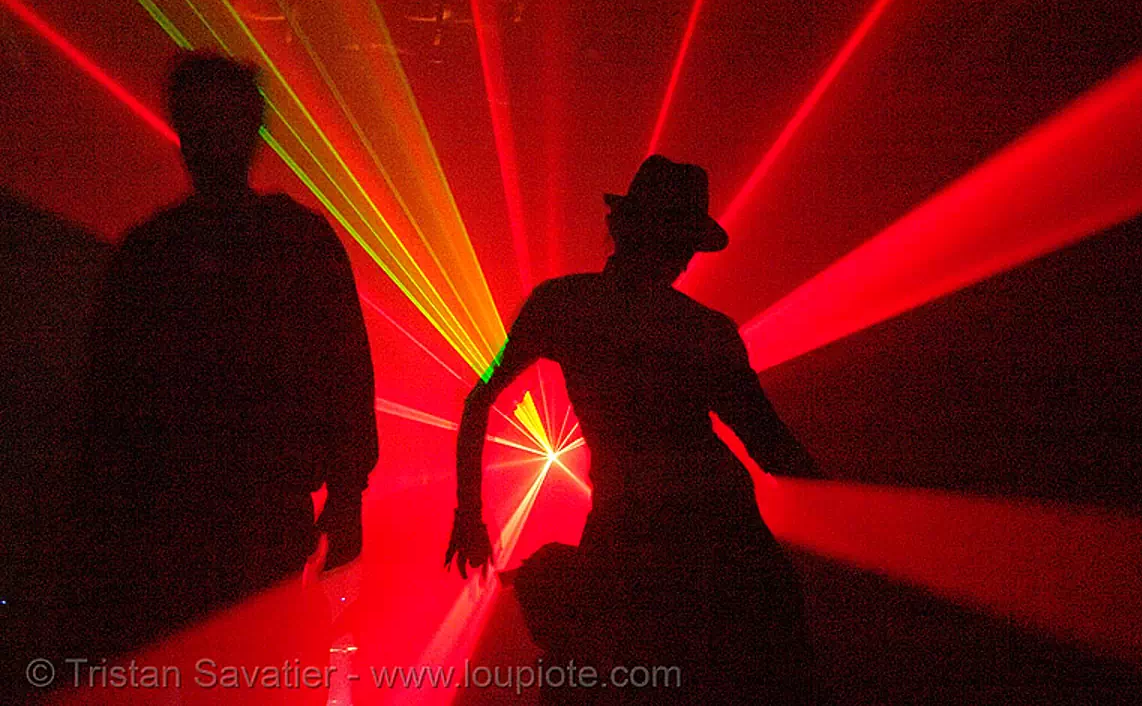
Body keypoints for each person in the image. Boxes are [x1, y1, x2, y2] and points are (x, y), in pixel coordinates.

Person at [446, 155, 823, 703]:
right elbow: (769, 444)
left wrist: (468, 515)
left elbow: (478, 401)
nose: (688, 262)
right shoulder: (702, 329)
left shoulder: (566, 304)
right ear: (667, 241)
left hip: (630, 524)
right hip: (718, 533)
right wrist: (854, 506)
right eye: (684, 244)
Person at [87, 52, 377, 655]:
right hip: (251, 516)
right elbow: (346, 370)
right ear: (256, 134)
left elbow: (107, 401)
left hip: (177, 522)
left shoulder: (150, 252)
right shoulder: (296, 238)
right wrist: (347, 498)